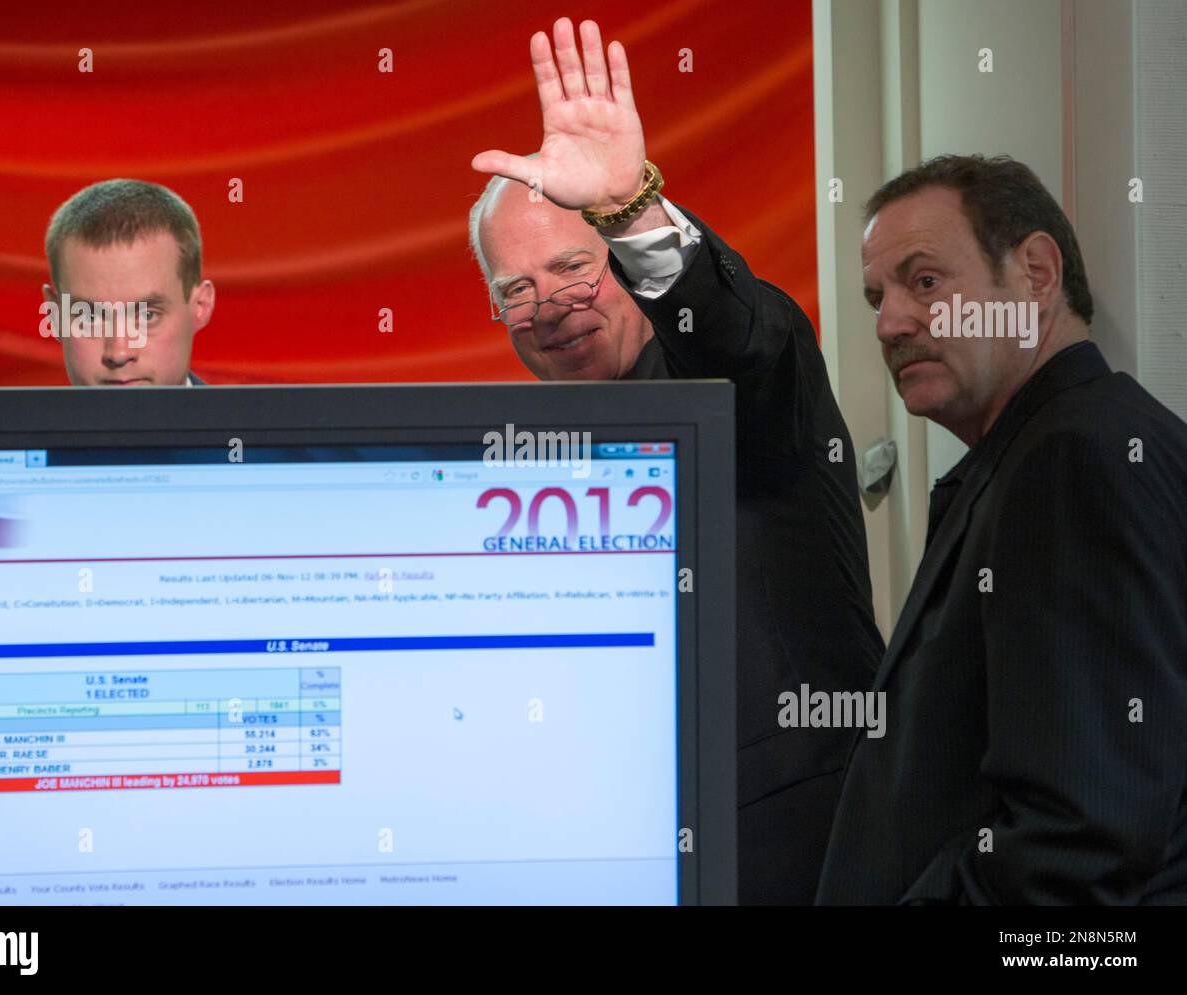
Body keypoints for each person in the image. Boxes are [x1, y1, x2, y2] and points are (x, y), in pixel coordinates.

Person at [471, 17, 884, 904]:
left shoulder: (739, 382)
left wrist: (630, 211)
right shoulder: (524, 469)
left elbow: (744, 340)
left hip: (799, 854)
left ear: (622, 263)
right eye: (518, 289)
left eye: (577, 267)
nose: (552, 305)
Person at [816, 154, 1187, 904]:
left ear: (1036, 274)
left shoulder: (1074, 459)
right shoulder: (1054, 449)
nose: (889, 323)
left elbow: (1081, 840)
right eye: (876, 297)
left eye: (924, 281)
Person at [42, 179, 213, 386]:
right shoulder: (1, 420)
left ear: (200, 307)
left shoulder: (254, 420)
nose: (119, 353)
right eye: (90, 317)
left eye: (147, 315)